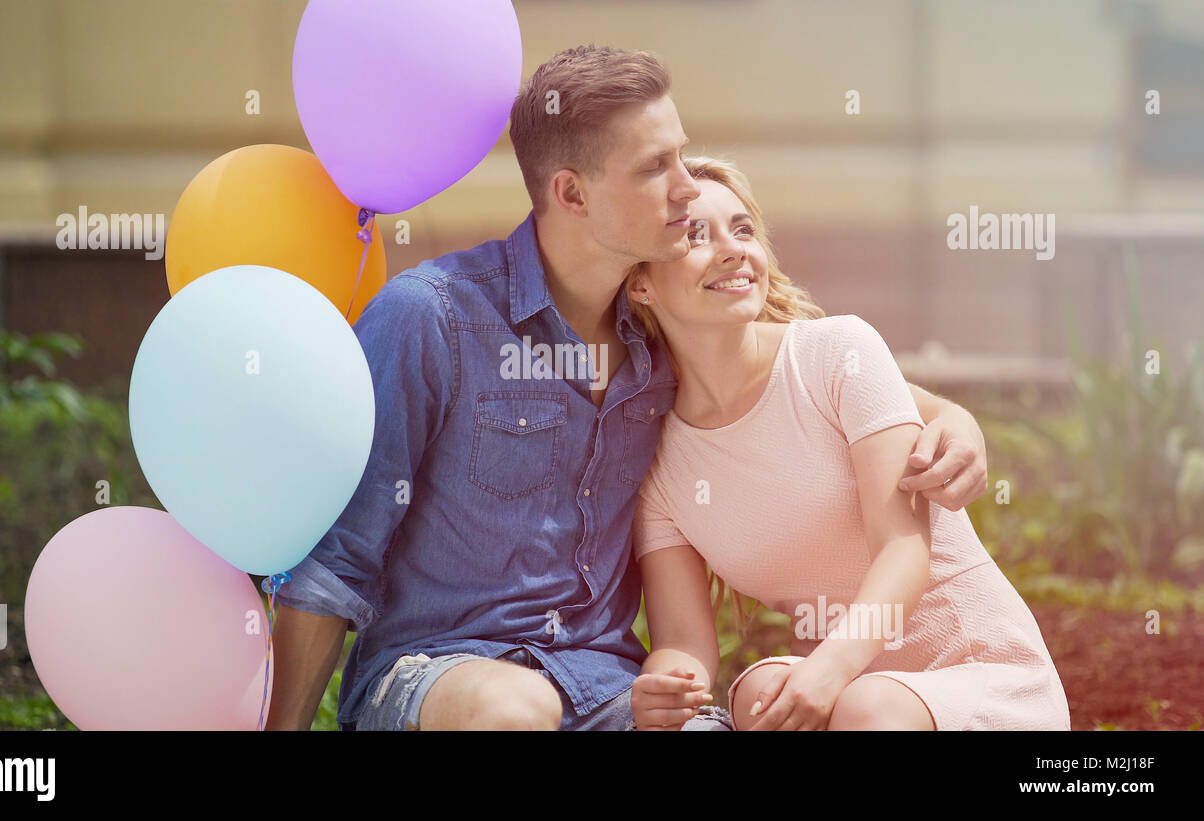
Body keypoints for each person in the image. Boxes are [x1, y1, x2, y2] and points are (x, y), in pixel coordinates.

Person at [264, 45, 991, 732]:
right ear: (572, 192)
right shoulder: (433, 318)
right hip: (436, 673)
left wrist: (954, 416)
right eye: (654, 168)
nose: (685, 185)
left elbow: (797, 367)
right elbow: (332, 565)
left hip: (600, 684)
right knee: (515, 708)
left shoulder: (661, 338)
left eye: (679, 154)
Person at [625, 155, 1071, 731]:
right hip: (855, 690)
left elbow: (902, 551)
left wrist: (831, 669)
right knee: (759, 692)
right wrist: (666, 688)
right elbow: (684, 640)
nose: (735, 249)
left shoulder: (837, 353)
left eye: (742, 229)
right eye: (696, 236)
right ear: (641, 283)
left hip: (980, 676)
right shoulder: (657, 458)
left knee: (867, 706)